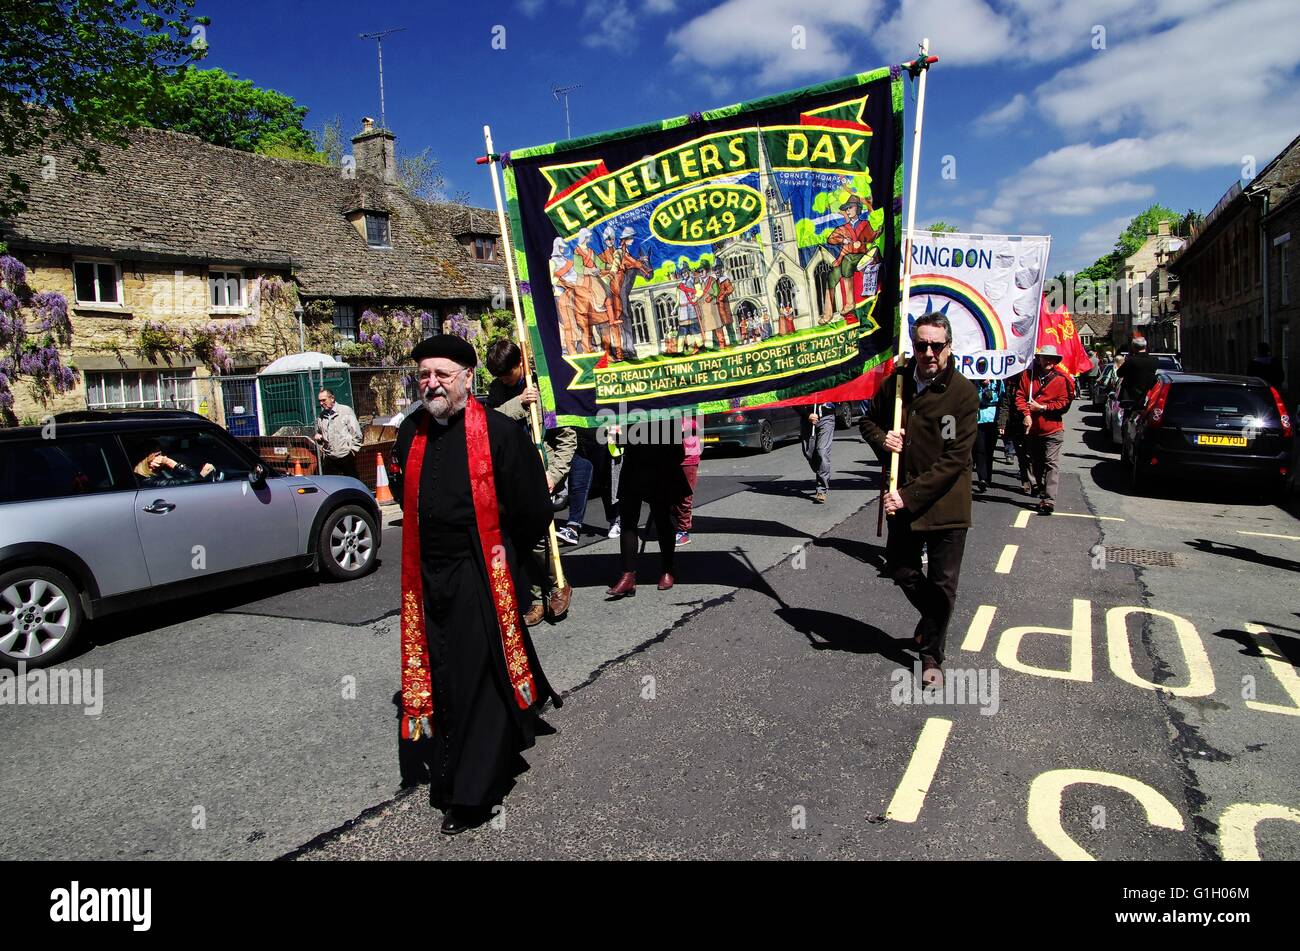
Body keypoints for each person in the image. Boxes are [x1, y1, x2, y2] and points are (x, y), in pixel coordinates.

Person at [388, 334, 560, 835]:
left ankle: (473, 792)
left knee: (476, 672)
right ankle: (510, 717)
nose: (432, 383)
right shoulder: (410, 432)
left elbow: (533, 508)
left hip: (480, 566)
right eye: (425, 374)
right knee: (443, 668)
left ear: (467, 378)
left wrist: (502, 552)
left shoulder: (502, 434)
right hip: (427, 570)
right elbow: (404, 493)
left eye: (443, 373)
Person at [860, 310, 977, 688]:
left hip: (945, 505)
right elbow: (867, 422)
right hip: (904, 500)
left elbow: (955, 460)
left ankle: (931, 657)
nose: (928, 353)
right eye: (921, 344)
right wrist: (884, 440)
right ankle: (934, 619)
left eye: (936, 346)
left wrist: (906, 497)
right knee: (902, 570)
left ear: (948, 347)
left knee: (943, 585)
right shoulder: (897, 384)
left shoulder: (962, 392)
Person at [483, 340, 574, 625]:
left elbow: (567, 438)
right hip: (511, 475)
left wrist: (554, 474)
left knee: (537, 538)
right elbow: (490, 422)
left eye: (506, 374)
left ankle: (557, 585)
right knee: (520, 541)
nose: (502, 381)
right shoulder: (498, 391)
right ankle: (536, 599)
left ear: (519, 364)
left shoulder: (543, 387)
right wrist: (518, 402)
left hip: (540, 472)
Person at [606, 418, 689, 599]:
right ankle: (628, 576)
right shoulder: (628, 409)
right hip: (633, 469)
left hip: (660, 470)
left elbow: (678, 453)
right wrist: (616, 434)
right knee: (628, 521)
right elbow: (619, 439)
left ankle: (668, 568)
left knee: (663, 520)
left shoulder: (667, 411)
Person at [1015, 345, 1072, 515]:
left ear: (1055, 361)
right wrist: (1026, 414)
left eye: (1051, 358)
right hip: (1033, 430)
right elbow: (1020, 396)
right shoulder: (1028, 376)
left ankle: (1049, 500)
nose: (1048, 361)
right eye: (1044, 357)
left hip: (1053, 430)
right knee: (1036, 464)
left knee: (1051, 463)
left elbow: (1063, 403)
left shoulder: (1061, 379)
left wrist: (1043, 408)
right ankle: (1041, 490)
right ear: (1038, 359)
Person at [996, 368, 1033, 494]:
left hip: (1033, 424)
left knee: (1033, 455)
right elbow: (1005, 405)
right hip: (1016, 424)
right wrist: (1002, 423)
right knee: (1022, 456)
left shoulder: (1033, 382)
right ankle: (1026, 482)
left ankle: (1037, 481)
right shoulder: (1010, 384)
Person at [314, 389, 362, 478]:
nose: (321, 403)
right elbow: (321, 435)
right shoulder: (321, 416)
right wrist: (319, 439)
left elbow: (356, 433)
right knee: (330, 485)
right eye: (319, 401)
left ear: (332, 398)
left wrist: (353, 451)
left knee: (352, 482)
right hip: (330, 457)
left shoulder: (345, 411)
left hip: (346, 456)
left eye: (323, 400)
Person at [800, 399, 836, 503]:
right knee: (808, 452)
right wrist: (807, 415)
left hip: (827, 417)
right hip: (807, 417)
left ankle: (821, 489)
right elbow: (793, 401)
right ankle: (822, 469)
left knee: (822, 452)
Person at [674, 414, 702, 545]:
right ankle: (674, 525)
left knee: (685, 494)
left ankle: (683, 530)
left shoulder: (690, 401)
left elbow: (701, 421)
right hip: (667, 453)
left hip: (688, 455)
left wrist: (680, 427)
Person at [971, 378, 1003, 493]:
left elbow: (1003, 403)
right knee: (980, 450)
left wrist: (1002, 423)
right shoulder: (973, 383)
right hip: (978, 420)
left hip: (993, 421)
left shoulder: (998, 383)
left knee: (990, 450)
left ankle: (988, 476)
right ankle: (982, 478)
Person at [132, 444, 217, 487]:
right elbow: (194, 479)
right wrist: (170, 462)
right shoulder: (151, 482)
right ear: (149, 461)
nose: (164, 457)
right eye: (158, 454)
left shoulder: (159, 473)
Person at [1116, 336, 1159, 408]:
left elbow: (1119, 373)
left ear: (1133, 347)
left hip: (1130, 396)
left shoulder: (1130, 360)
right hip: (1147, 394)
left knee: (1128, 417)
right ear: (1145, 346)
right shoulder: (1154, 360)